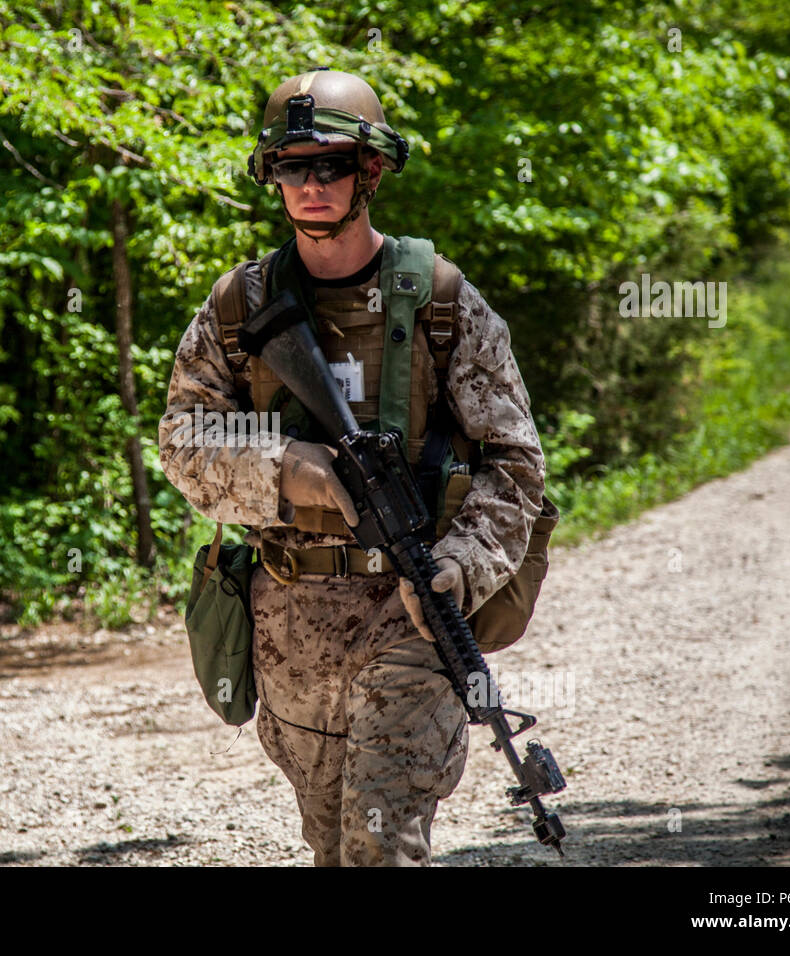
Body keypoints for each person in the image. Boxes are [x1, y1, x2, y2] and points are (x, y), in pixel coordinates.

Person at [157, 68, 546, 866]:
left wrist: (459, 568)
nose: (311, 184)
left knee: (383, 846)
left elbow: (515, 465)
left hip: (409, 616)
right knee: (331, 846)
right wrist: (287, 469)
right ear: (272, 177)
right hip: (290, 625)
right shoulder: (240, 306)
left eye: (329, 165)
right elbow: (182, 441)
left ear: (369, 171)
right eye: (292, 166)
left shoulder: (439, 299)